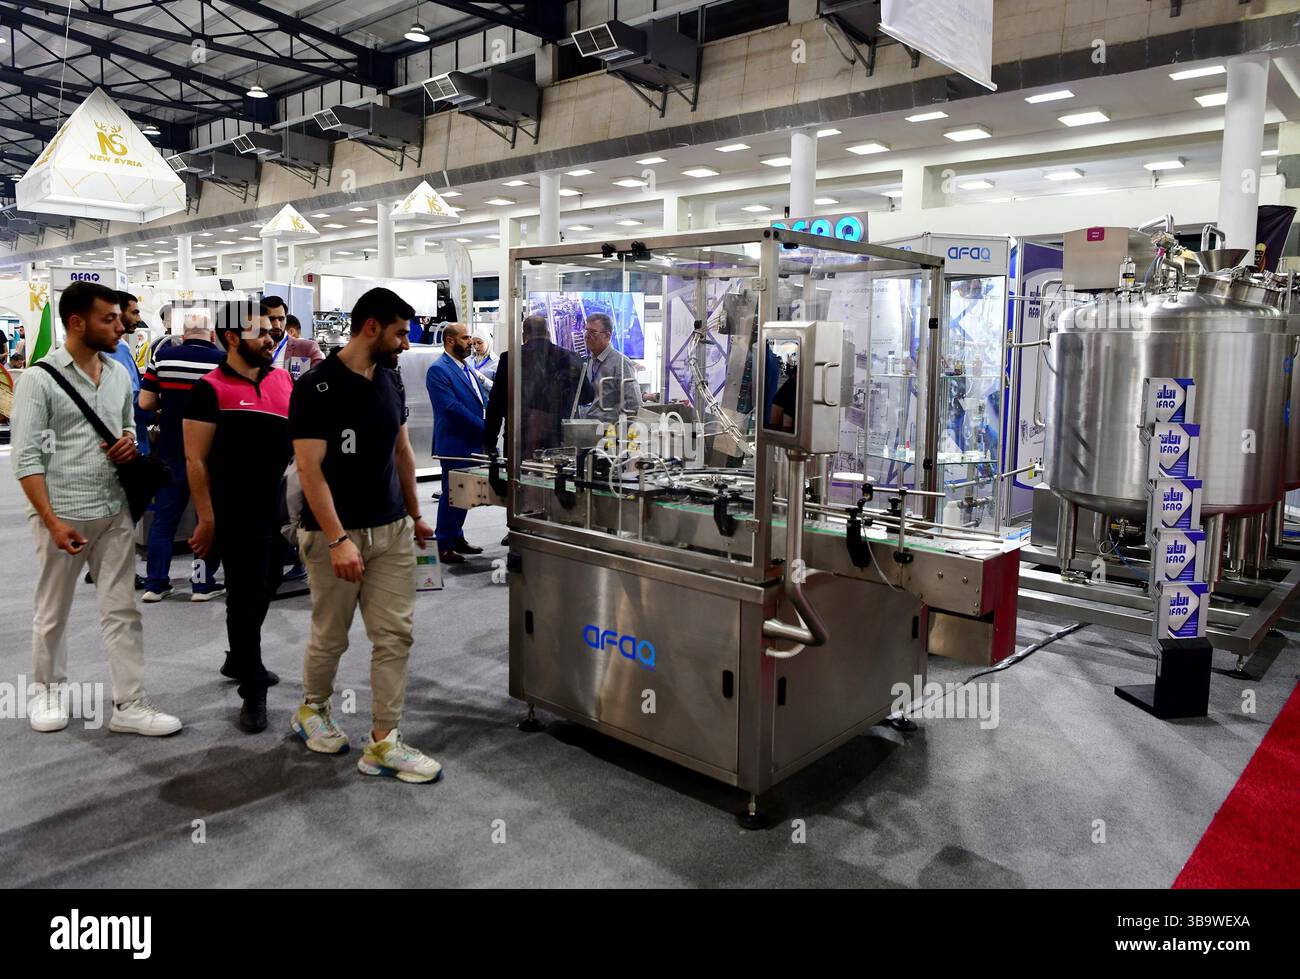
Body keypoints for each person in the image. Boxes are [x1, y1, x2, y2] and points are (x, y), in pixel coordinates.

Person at [9, 281, 181, 736]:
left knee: (122, 610)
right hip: (61, 513)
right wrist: (49, 521)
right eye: (109, 318)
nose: (121, 326)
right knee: (53, 610)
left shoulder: (120, 374)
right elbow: (26, 458)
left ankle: (130, 703)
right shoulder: (40, 379)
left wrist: (127, 442)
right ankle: (46, 691)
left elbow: (127, 426)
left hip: (114, 510)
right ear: (76, 322)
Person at [289, 287, 441, 782]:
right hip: (334, 534)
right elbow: (310, 471)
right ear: (371, 327)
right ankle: (312, 708)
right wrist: (337, 539)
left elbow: (402, 451)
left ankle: (384, 741)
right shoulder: (316, 386)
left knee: (395, 635)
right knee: (331, 636)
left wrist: (415, 514)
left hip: (392, 530)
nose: (405, 342)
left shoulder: (391, 380)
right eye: (399, 332)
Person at [184, 300, 295, 732]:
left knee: (269, 583)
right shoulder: (209, 389)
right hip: (234, 509)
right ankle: (253, 687)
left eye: (271, 329)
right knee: (245, 595)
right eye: (260, 332)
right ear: (232, 337)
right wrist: (207, 518)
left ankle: (237, 657)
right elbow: (195, 459)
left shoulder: (284, 381)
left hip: (277, 507)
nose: (269, 337)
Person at [137, 308, 225, 602]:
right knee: (207, 517)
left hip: (171, 450)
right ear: (212, 335)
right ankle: (202, 583)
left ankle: (155, 583)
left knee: (164, 518)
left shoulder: (163, 358)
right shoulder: (222, 363)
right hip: (210, 453)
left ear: (182, 334)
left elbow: (146, 402)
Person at [484, 315, 592, 459]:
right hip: (557, 440)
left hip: (519, 440)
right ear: (547, 333)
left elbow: (495, 405)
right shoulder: (571, 357)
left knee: (517, 479)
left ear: (524, 335)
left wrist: (489, 443)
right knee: (555, 479)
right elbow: (587, 396)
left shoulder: (509, 358)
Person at [426, 321, 486, 565]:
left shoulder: (464, 366)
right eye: (465, 337)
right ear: (450, 340)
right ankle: (443, 544)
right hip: (454, 442)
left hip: (469, 440)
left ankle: (456, 536)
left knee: (464, 494)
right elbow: (450, 408)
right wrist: (484, 426)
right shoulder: (438, 370)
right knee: (452, 494)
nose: (470, 342)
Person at [579, 312, 641, 423]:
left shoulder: (621, 364)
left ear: (607, 336)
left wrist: (619, 433)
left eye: (593, 332)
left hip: (609, 433)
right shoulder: (589, 361)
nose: (586, 336)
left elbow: (634, 404)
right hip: (589, 429)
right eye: (586, 330)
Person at [264, 295, 290, 366]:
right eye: (271, 319)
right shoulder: (251, 349)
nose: (277, 325)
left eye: (281, 319)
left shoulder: (306, 348)